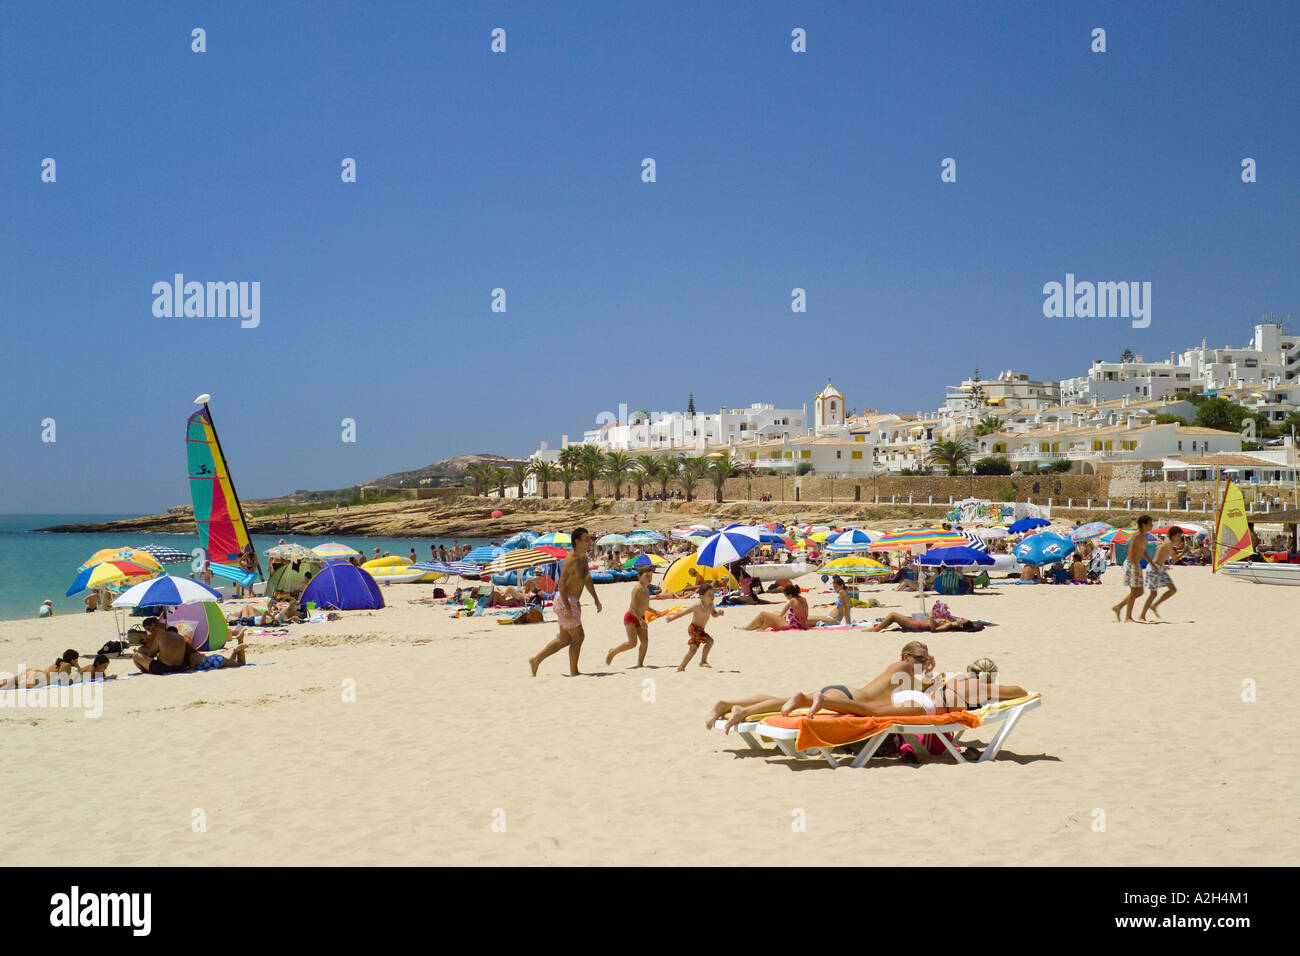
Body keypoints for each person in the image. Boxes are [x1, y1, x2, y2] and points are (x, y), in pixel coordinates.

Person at [707, 642, 934, 731]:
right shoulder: (904, 668)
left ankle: (727, 704)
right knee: (792, 703)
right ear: (907, 656)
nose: (923, 663)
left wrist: (927, 668)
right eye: (920, 658)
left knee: (783, 700)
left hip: (845, 692)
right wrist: (930, 668)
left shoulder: (904, 671)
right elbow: (924, 693)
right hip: (852, 700)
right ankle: (743, 712)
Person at [529, 527, 602, 676]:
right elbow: (561, 584)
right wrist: (568, 607)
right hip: (565, 601)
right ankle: (574, 672)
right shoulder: (571, 560)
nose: (590, 541)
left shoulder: (583, 558)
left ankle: (536, 660)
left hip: (571, 601)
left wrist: (595, 599)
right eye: (586, 539)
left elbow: (587, 579)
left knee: (564, 639)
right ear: (577, 542)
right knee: (579, 636)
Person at [665, 582, 722, 671]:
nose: (712, 597)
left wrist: (718, 613)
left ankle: (681, 667)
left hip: (701, 630)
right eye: (709, 595)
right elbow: (683, 613)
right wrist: (672, 618)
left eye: (713, 594)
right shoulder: (697, 606)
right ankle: (703, 661)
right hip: (694, 629)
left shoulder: (711, 605)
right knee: (710, 641)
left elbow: (714, 614)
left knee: (693, 650)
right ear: (701, 596)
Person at [606, 566, 654, 667]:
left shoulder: (646, 589)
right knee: (632, 643)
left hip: (641, 617)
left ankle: (640, 664)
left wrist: (656, 612)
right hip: (631, 617)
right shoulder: (637, 589)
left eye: (650, 576)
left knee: (645, 642)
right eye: (646, 576)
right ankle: (613, 652)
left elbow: (645, 605)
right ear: (639, 576)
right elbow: (632, 607)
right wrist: (640, 620)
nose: (649, 578)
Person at [1112, 514, 1154, 623]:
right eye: (1150, 523)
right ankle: (1128, 617)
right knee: (1134, 591)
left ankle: (1119, 607)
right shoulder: (1137, 535)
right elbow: (1131, 550)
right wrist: (1135, 567)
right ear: (1144, 525)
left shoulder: (1145, 536)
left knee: (1139, 592)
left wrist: (1152, 563)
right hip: (1131, 564)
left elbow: (1142, 551)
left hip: (1136, 564)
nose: (1152, 525)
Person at [1139, 527, 1183, 621]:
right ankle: (1142, 615)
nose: (1179, 538)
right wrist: (1184, 552)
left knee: (1172, 589)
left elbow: (1160, 551)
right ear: (1173, 535)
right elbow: (1174, 559)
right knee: (1153, 594)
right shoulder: (1169, 543)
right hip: (1154, 568)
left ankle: (1154, 606)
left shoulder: (1167, 541)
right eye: (1178, 536)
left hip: (1160, 568)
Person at [737, 584, 808, 631]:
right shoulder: (803, 599)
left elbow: (783, 614)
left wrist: (805, 628)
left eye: (786, 596)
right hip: (797, 623)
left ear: (789, 595)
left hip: (793, 625)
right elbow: (805, 615)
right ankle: (761, 628)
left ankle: (746, 628)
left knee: (763, 614)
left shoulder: (793, 601)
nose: (786, 598)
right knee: (774, 613)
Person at [868, 608, 982, 632]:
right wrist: (938, 615)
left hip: (915, 624)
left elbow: (934, 629)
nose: (960, 618)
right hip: (916, 621)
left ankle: (875, 630)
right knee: (891, 618)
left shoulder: (948, 625)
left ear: (961, 625)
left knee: (893, 615)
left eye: (962, 619)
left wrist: (932, 617)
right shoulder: (949, 622)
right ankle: (873, 629)